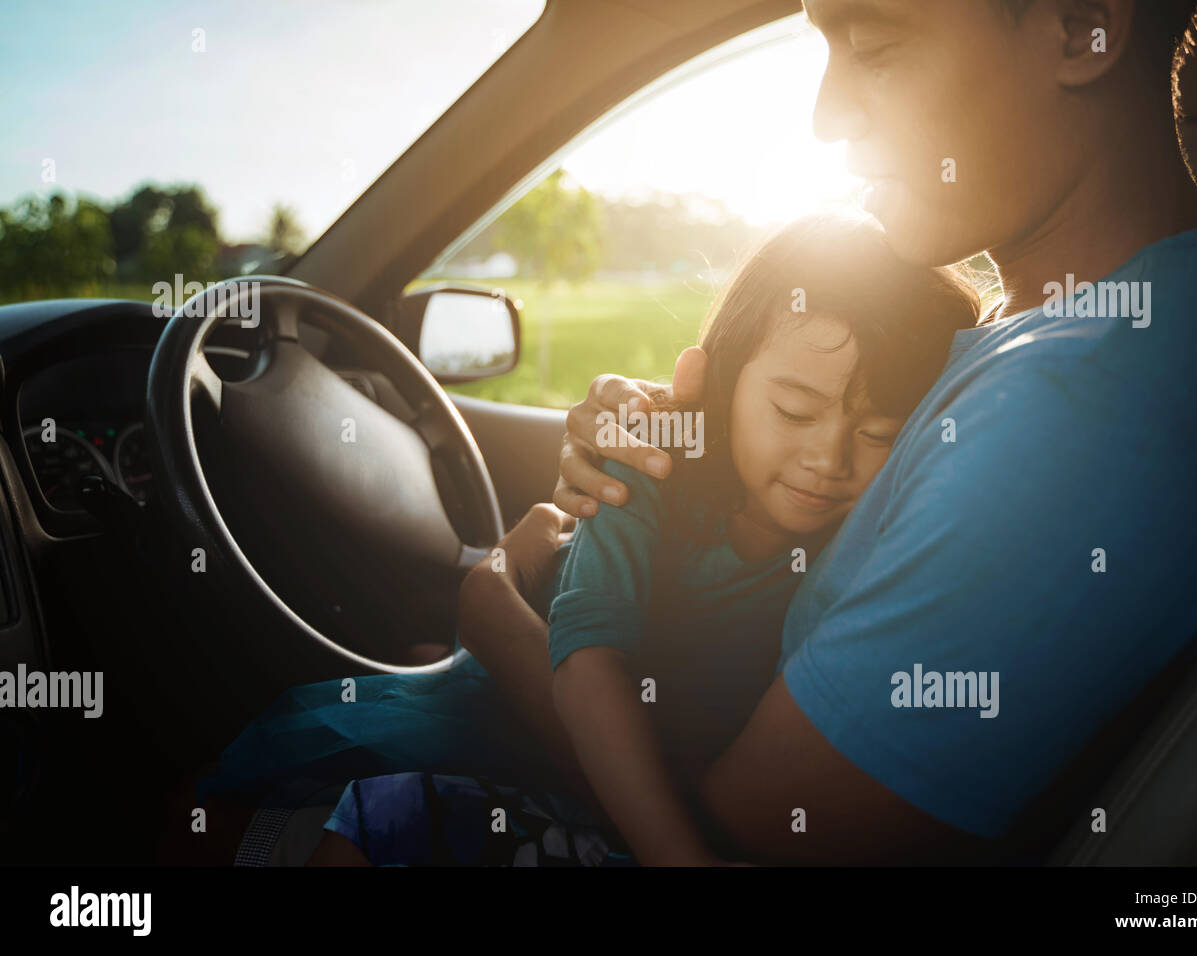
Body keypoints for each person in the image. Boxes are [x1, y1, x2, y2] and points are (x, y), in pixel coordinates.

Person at [427, 0, 1197, 865]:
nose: (825, 117)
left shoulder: (1082, 415)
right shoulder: (1132, 317)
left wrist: (492, 608)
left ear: (1081, 26)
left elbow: (742, 833)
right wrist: (689, 430)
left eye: (875, 46)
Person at [311, 213, 982, 865]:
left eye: (878, 434)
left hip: (618, 776)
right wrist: (674, 853)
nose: (828, 459)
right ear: (720, 377)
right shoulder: (648, 462)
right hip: (528, 721)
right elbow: (589, 663)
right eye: (794, 412)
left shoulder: (873, 539)